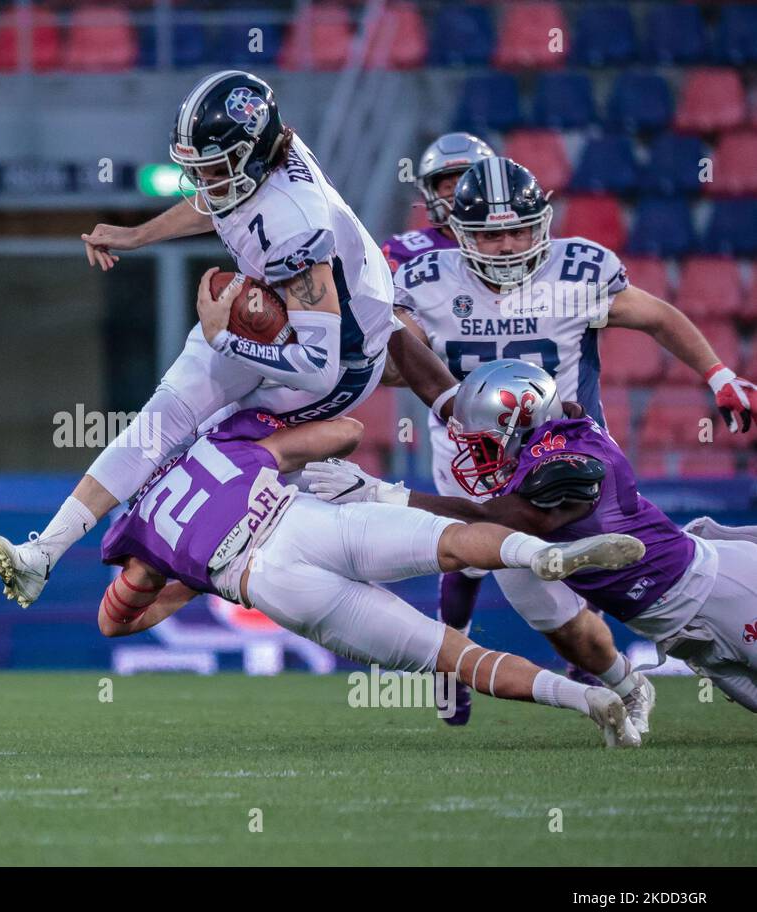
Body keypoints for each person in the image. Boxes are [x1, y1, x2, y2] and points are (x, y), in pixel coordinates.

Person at [0, 69, 459, 608]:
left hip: (341, 359)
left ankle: (177, 573)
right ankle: (43, 553)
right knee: (160, 422)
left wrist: (226, 340)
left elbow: (320, 366)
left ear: (252, 155)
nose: (203, 180)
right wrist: (139, 235)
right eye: (198, 167)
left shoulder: (296, 223)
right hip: (276, 308)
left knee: (208, 450)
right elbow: (220, 198)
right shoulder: (259, 160)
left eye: (212, 167)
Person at [384, 156, 757, 724]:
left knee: (636, 578)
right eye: (491, 233)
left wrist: (718, 375)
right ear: (459, 233)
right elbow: (395, 363)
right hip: (483, 464)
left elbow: (658, 316)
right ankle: (625, 682)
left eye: (518, 229)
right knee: (551, 619)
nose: (508, 246)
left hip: (571, 458)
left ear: (544, 223)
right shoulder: (428, 281)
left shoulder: (577, 271)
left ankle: (725, 584)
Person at [96, 407, 646, 748]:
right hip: (303, 519)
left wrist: (182, 573)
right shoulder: (219, 443)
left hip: (262, 579)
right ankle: (536, 554)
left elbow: (115, 623)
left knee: (452, 656)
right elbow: (346, 433)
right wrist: (276, 453)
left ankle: (584, 702)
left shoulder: (142, 526)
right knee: (449, 542)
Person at [380, 131, 494, 272]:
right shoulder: (403, 252)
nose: (459, 194)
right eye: (448, 186)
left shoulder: (514, 241)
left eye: (467, 184)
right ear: (431, 194)